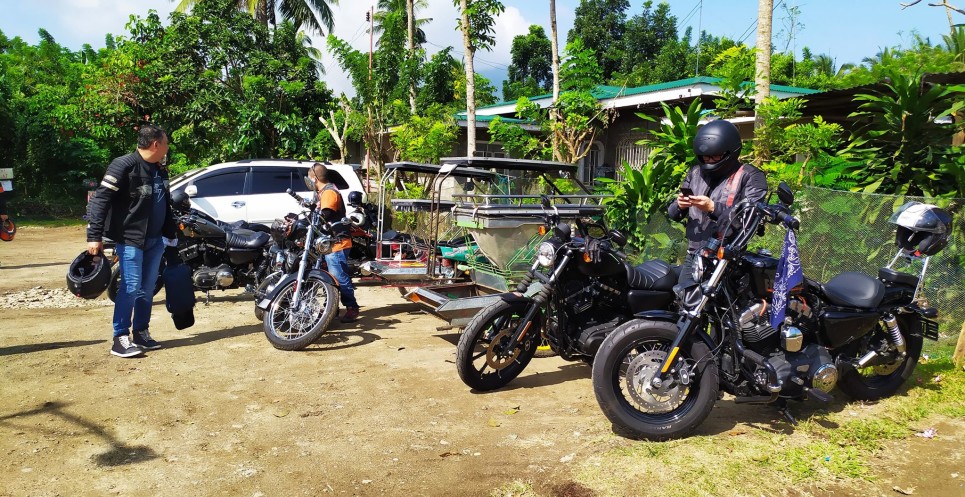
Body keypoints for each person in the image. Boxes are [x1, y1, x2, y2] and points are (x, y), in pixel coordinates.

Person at [87, 124, 177, 358]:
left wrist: (172, 234)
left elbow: (164, 204)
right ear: (156, 144)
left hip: (155, 241)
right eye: (166, 143)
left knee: (147, 290)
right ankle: (120, 337)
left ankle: (141, 332)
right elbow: (100, 201)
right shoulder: (123, 165)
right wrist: (93, 236)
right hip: (129, 240)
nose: (167, 147)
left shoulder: (160, 170)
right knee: (130, 287)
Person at [668, 119, 768, 305]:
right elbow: (673, 213)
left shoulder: (750, 176)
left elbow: (748, 220)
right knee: (684, 307)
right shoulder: (695, 173)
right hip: (694, 257)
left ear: (729, 152)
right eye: (705, 157)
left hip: (726, 260)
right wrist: (680, 205)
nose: (709, 160)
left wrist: (713, 208)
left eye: (714, 156)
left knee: (721, 314)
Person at [308, 162, 360, 323]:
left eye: (310, 177)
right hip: (329, 242)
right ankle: (333, 307)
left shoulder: (329, 192)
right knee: (330, 277)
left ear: (315, 178)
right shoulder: (323, 191)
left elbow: (326, 214)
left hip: (336, 242)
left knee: (339, 277)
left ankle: (352, 307)